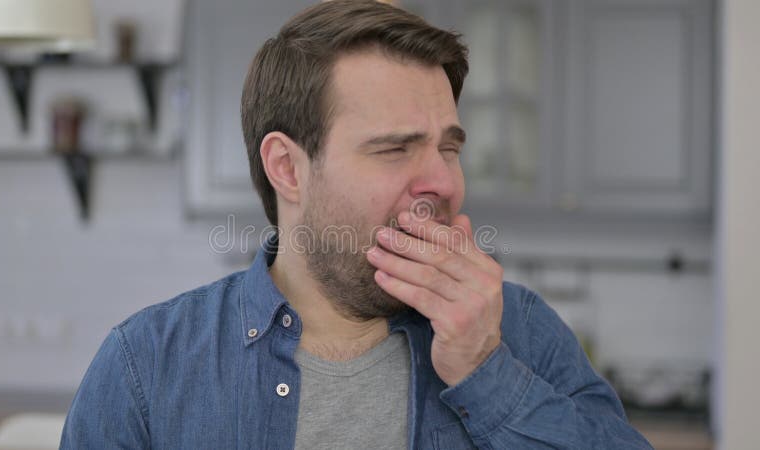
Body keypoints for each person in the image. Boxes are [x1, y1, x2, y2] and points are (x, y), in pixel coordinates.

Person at [60, 1, 652, 448]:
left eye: (449, 147)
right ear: (287, 168)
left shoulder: (516, 331)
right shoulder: (145, 366)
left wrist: (485, 371)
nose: (443, 183)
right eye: (395, 149)